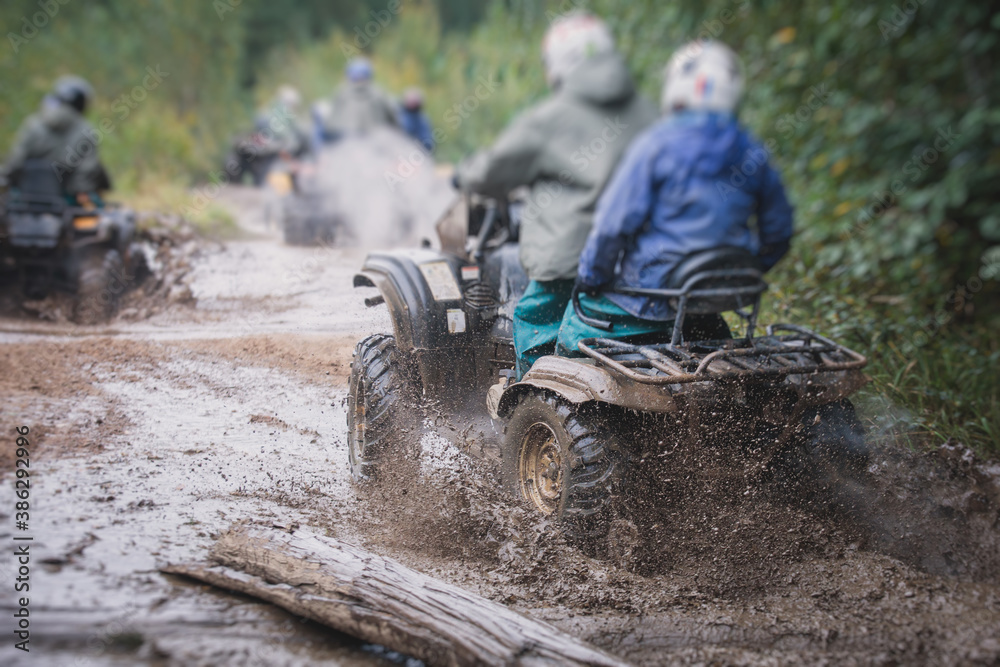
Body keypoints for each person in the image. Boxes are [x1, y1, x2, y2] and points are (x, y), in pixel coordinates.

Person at [454, 12, 657, 381]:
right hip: (641, 262)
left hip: (568, 263)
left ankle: (530, 417)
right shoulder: (648, 112)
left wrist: (464, 173)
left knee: (536, 324)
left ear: (559, 63)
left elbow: (491, 172)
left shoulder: (552, 118)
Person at [556, 40, 794, 355]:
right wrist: (740, 270)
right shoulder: (753, 151)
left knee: (574, 325)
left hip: (653, 290)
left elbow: (613, 226)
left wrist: (591, 277)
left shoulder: (655, 146)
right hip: (720, 290)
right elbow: (779, 231)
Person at [1, 75, 111, 197]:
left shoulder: (33, 124)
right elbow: (87, 172)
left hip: (25, 198)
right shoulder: (86, 131)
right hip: (66, 202)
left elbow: (15, 162)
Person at [322, 57, 399, 138]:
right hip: (376, 141)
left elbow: (330, 124)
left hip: (347, 142)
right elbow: (393, 119)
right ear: (369, 75)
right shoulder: (378, 93)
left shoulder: (341, 92)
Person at [399, 88, 434, 152]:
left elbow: (428, 143)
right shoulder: (399, 111)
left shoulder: (421, 120)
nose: (410, 101)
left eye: (413, 100)